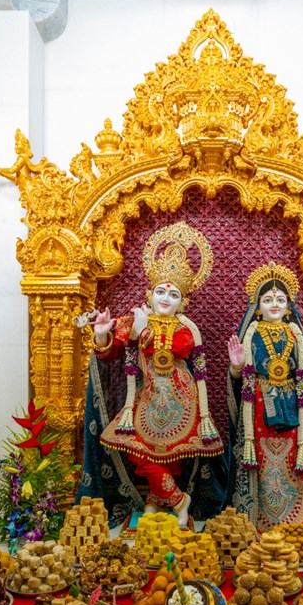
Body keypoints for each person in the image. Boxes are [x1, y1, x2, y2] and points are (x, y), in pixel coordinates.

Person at [77, 221, 225, 527]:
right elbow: (110, 352)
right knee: (141, 454)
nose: (166, 298)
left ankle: (159, 500)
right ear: (149, 294)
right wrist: (104, 334)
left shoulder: (187, 328)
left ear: (183, 302)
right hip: (144, 401)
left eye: (173, 295)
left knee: (170, 456)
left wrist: (143, 331)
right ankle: (177, 500)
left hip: (179, 402)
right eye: (160, 291)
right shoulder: (135, 319)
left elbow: (176, 349)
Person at [227, 261, 303, 530]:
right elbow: (239, 379)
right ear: (257, 306)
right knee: (261, 461)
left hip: (292, 407)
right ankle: (260, 522)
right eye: (268, 299)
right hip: (260, 407)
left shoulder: (296, 335)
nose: (274, 304)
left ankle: (293, 522)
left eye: (281, 299)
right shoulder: (251, 334)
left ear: (288, 306)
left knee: (288, 462)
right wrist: (237, 364)